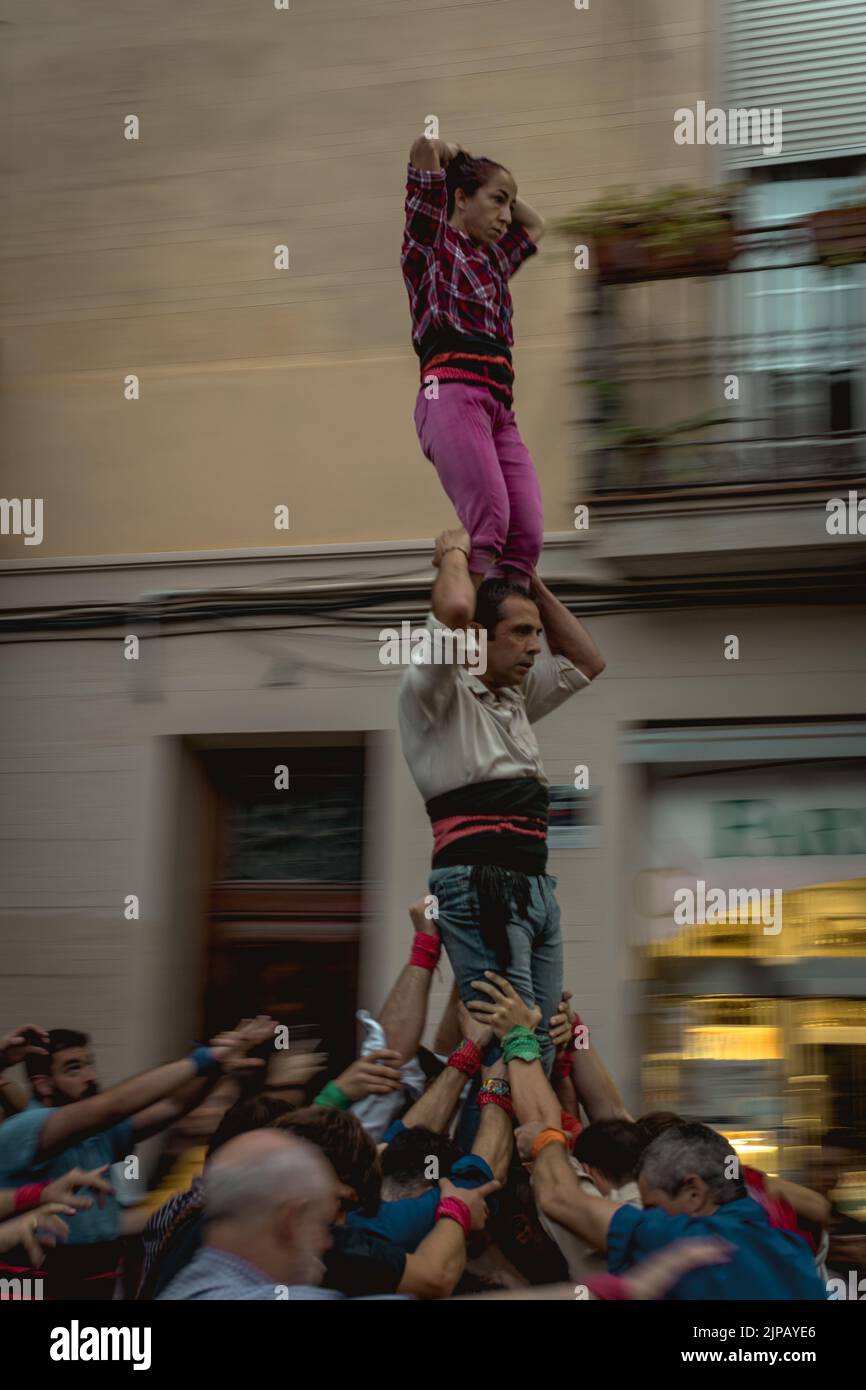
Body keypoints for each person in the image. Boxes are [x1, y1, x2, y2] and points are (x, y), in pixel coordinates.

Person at [398, 561, 604, 1075]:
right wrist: (453, 554)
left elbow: (588, 660)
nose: (536, 647)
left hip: (534, 884)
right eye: (520, 632)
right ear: (475, 639)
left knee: (545, 1034)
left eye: (537, 632)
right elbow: (454, 607)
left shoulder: (515, 695)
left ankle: (522, 1142)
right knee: (511, 1041)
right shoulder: (436, 698)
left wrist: (527, 579)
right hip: (479, 879)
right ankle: (487, 1148)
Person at [0, 1018, 275, 1298]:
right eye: (74, 1069)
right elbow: (111, 1106)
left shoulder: (98, 1132)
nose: (90, 1076)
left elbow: (174, 1105)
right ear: (43, 1085)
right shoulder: (27, 1126)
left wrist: (216, 1070)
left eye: (89, 1064)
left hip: (97, 1272)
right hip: (39, 1276)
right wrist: (206, 1057)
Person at [401, 133, 546, 600]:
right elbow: (424, 150)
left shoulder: (496, 261)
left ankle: (505, 630)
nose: (507, 216)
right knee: (490, 521)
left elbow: (537, 224)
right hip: (452, 392)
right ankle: (463, 636)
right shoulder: (431, 248)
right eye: (497, 202)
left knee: (525, 536)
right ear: (460, 199)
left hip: (499, 407)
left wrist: (500, 186)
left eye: (510, 205)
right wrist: (460, 161)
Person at [158, 1129, 497, 1301]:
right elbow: (435, 1278)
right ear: (290, 1220)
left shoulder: (190, 1278)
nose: (330, 1239)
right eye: (323, 1223)